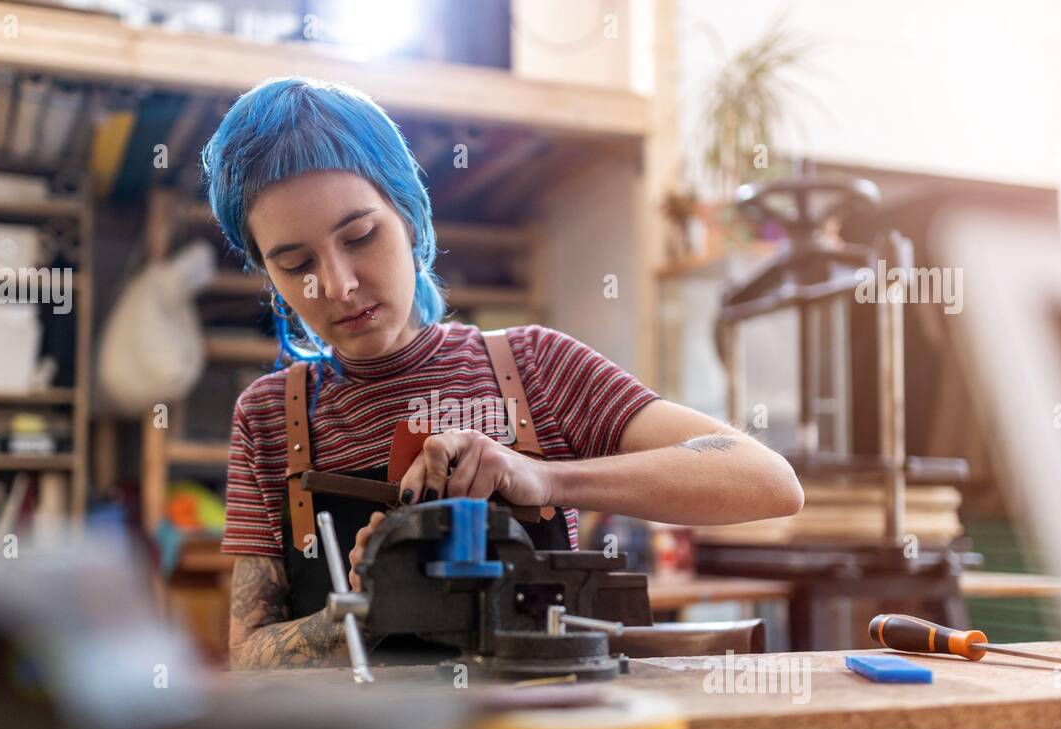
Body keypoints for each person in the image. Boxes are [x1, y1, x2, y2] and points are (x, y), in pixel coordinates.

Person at [201, 76, 803, 671]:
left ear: (409, 216)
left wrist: (542, 477)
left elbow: (768, 481)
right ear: (270, 277)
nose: (337, 284)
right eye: (296, 262)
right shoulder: (269, 417)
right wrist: (370, 607)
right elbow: (250, 654)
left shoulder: (535, 368)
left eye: (360, 236)